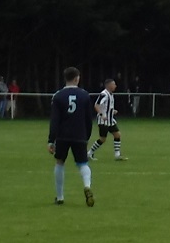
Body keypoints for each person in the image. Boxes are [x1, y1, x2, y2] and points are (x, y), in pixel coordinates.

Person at [48, 67, 95, 207]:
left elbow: (54, 120)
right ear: (76, 78)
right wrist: (86, 136)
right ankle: (87, 186)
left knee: (60, 162)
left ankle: (60, 197)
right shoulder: (85, 95)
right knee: (83, 164)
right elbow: (89, 119)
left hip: (62, 136)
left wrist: (51, 140)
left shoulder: (58, 96)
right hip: (79, 135)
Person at [88, 77, 126, 161]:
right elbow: (96, 105)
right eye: (114, 84)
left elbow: (106, 106)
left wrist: (112, 111)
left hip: (110, 120)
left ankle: (117, 155)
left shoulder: (110, 94)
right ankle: (89, 153)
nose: (115, 86)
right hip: (103, 121)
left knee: (117, 134)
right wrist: (102, 115)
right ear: (109, 85)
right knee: (102, 139)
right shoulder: (104, 94)